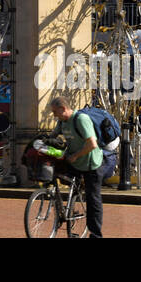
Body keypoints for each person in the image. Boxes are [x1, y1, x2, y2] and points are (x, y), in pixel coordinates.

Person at [49, 95, 103, 238]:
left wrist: (75, 156)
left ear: (63, 108)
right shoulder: (62, 122)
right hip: (75, 162)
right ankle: (70, 213)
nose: (54, 115)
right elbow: (52, 137)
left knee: (93, 199)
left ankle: (96, 234)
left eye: (55, 112)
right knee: (67, 183)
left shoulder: (81, 119)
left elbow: (92, 144)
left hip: (91, 164)